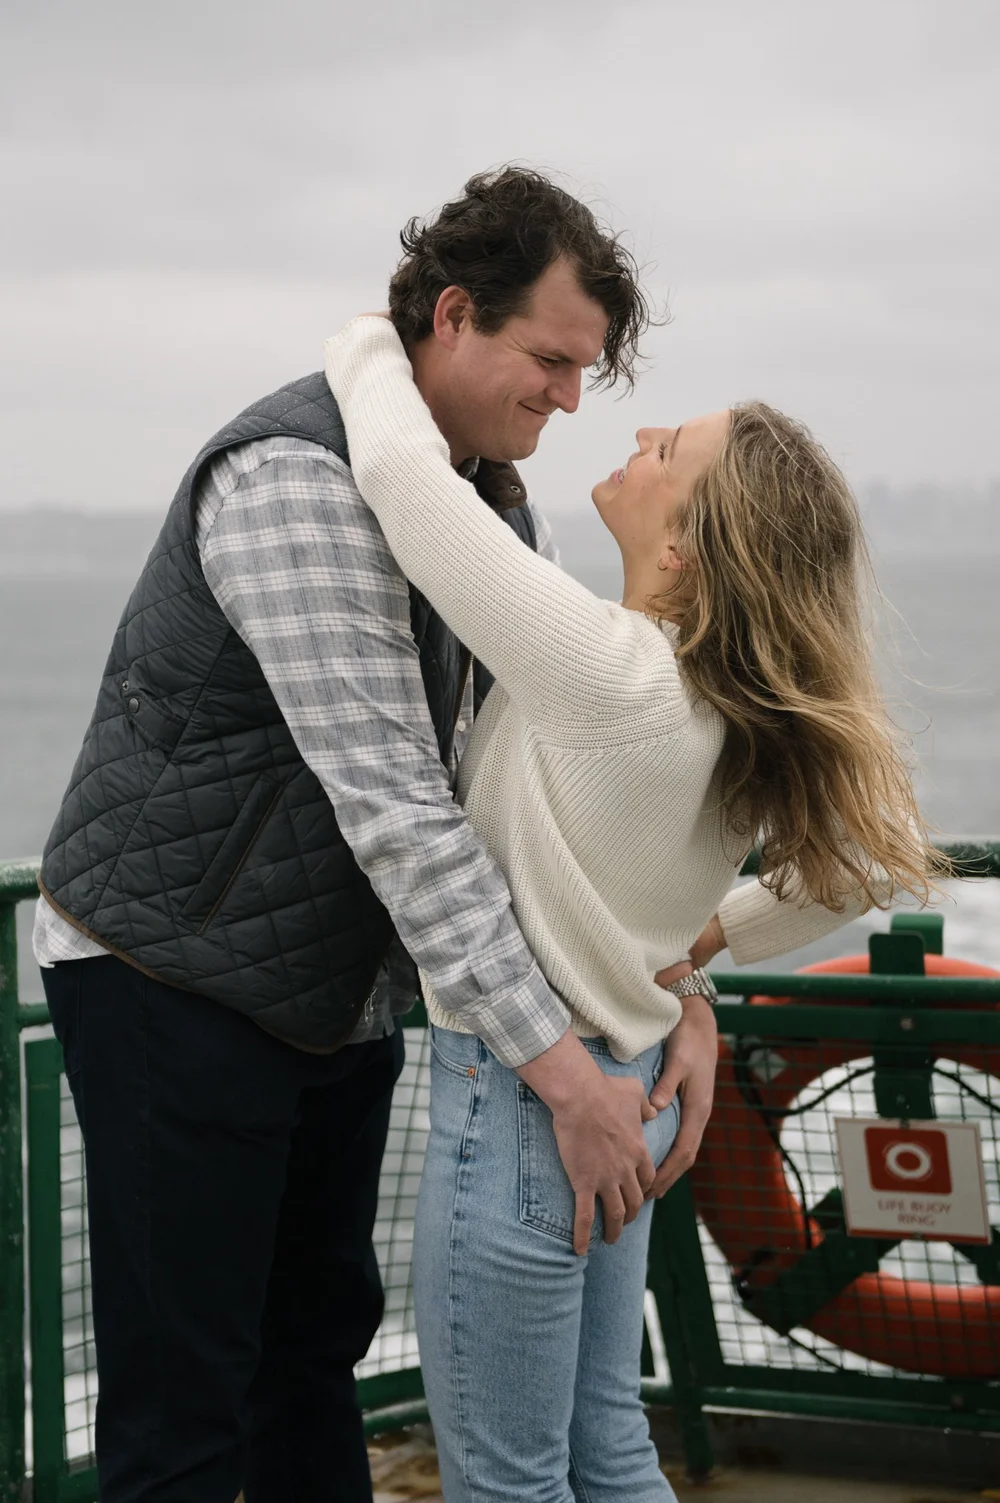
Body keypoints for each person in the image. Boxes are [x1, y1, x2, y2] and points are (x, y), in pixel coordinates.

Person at [31, 167, 722, 1503]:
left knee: (311, 1352)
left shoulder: (484, 496)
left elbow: (539, 797)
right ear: (453, 315)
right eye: (551, 360)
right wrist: (567, 1079)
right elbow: (399, 800)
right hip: (175, 973)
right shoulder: (293, 479)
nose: (570, 400)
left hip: (335, 988)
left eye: (586, 372)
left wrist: (683, 984)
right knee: (187, 1398)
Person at [324, 314, 942, 1503]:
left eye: (672, 450)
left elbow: (404, 478)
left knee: (508, 1483)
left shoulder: (609, 672)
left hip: (533, 1107)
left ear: (684, 549)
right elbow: (875, 860)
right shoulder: (724, 703)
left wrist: (373, 334)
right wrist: (701, 946)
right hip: (634, 1090)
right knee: (606, 1449)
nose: (643, 431)